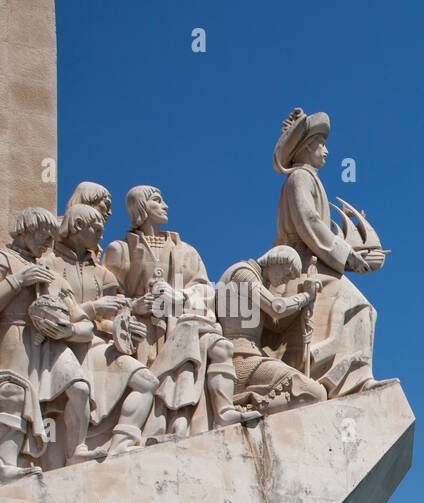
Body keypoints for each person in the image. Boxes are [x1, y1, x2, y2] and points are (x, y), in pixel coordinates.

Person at [104, 186, 258, 436]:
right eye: (157, 200)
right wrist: (136, 306)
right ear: (141, 207)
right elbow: (108, 298)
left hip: (184, 321)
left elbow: (205, 291)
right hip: (145, 333)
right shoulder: (119, 250)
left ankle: (222, 412)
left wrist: (177, 296)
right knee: (179, 362)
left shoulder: (186, 251)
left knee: (220, 347)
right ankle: (170, 426)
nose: (165, 205)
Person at [273, 108, 393, 398]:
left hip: (319, 264)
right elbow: (309, 223)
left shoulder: (310, 179)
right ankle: (349, 381)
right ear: (306, 148)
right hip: (302, 267)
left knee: (362, 308)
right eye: (320, 144)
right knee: (358, 306)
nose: (326, 151)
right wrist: (348, 256)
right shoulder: (299, 178)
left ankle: (351, 378)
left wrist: (351, 252)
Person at [46, 203, 159, 456]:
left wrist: (131, 314)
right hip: (64, 344)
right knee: (79, 391)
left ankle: (121, 445)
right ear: (77, 227)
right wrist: (94, 308)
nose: (101, 234)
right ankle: (77, 450)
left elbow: (118, 308)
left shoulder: (101, 273)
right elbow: (53, 309)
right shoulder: (50, 264)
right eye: (96, 228)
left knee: (146, 381)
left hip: (97, 345)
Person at [0, 207, 99, 479]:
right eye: (44, 236)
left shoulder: (47, 270)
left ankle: (76, 448)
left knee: (79, 388)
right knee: (13, 394)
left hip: (51, 343)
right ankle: (6, 463)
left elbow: (80, 317)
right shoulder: (5, 259)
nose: (48, 244)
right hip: (14, 333)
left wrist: (69, 329)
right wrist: (18, 280)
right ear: (27, 229)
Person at [214, 245, 326, 415]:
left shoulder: (257, 280)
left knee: (314, 393)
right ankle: (249, 408)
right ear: (276, 260)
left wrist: (304, 308)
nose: (286, 280)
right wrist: (306, 296)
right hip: (241, 357)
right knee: (313, 392)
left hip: (252, 355)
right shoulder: (244, 273)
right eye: (287, 273)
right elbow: (276, 307)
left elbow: (275, 325)